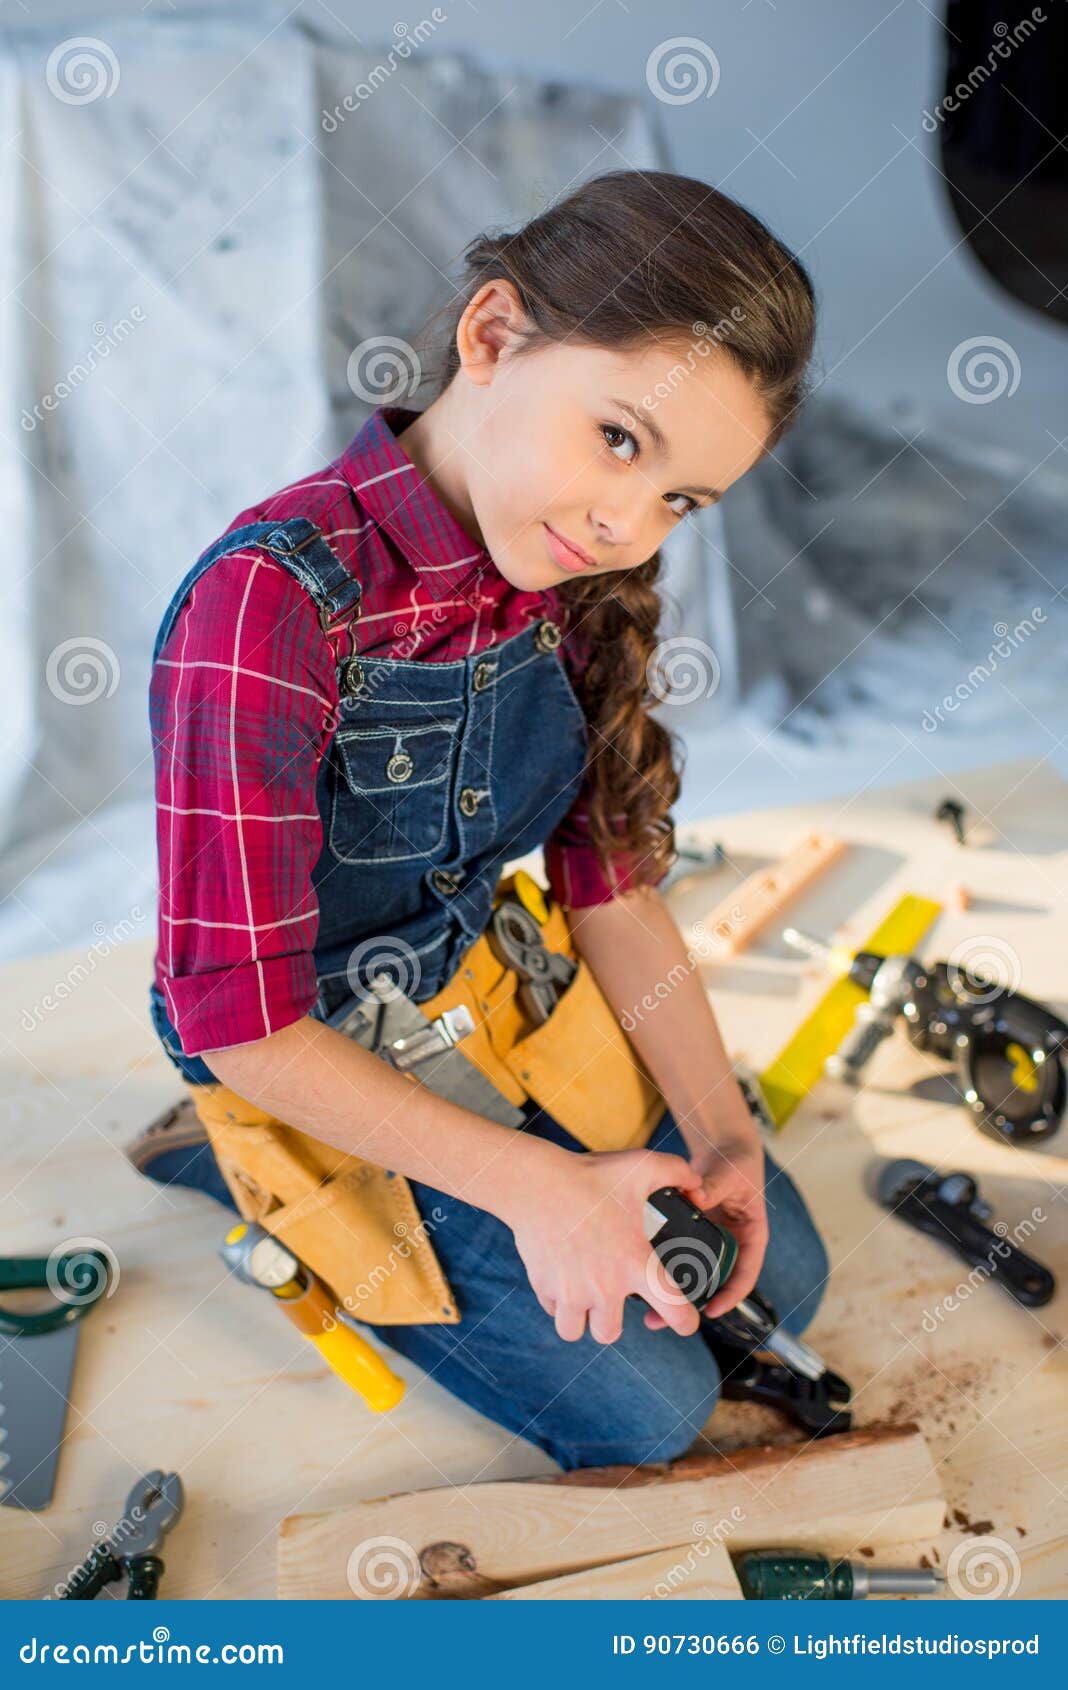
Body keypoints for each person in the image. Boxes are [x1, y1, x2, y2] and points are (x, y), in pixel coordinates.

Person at [133, 169, 829, 1472]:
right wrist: (543, 1188)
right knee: (654, 1407)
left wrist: (721, 1126)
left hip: (480, 993)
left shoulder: (562, 568)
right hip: (306, 1052)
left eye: (682, 499)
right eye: (621, 438)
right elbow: (240, 1017)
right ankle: (224, 1161)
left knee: (778, 1270)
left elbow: (609, 891)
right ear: (494, 336)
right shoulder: (270, 603)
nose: (630, 526)